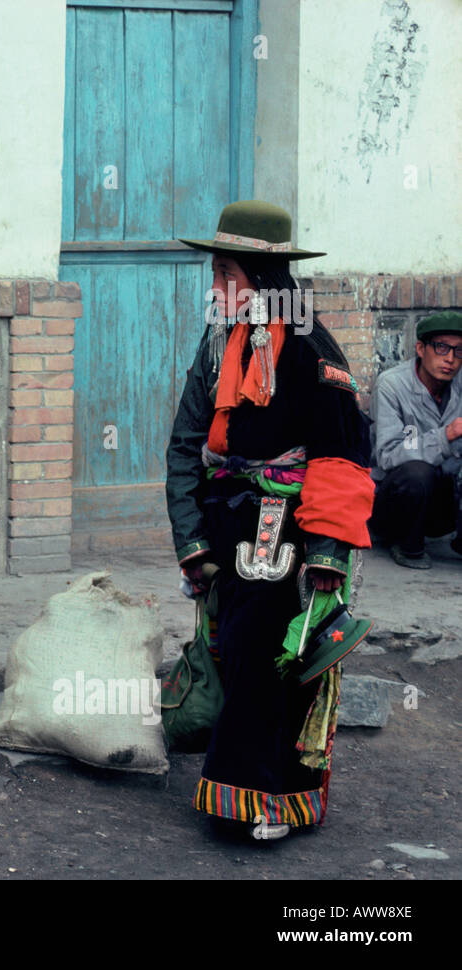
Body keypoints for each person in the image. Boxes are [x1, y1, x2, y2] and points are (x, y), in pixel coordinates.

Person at [166, 201, 374, 839]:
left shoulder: (313, 351)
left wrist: (328, 557)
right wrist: (194, 543)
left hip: (292, 532)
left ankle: (268, 798)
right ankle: (245, 790)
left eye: (228, 274)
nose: (217, 288)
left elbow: (343, 455)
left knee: (276, 656)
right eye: (216, 272)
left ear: (265, 278)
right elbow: (185, 445)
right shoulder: (218, 347)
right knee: (234, 649)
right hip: (230, 523)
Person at [368, 311, 462, 568]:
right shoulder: (391, 385)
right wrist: (446, 435)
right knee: (417, 472)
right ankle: (407, 546)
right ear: (421, 348)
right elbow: (388, 455)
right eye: (441, 348)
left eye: (459, 351)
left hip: (444, 503)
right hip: (395, 502)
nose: (450, 359)